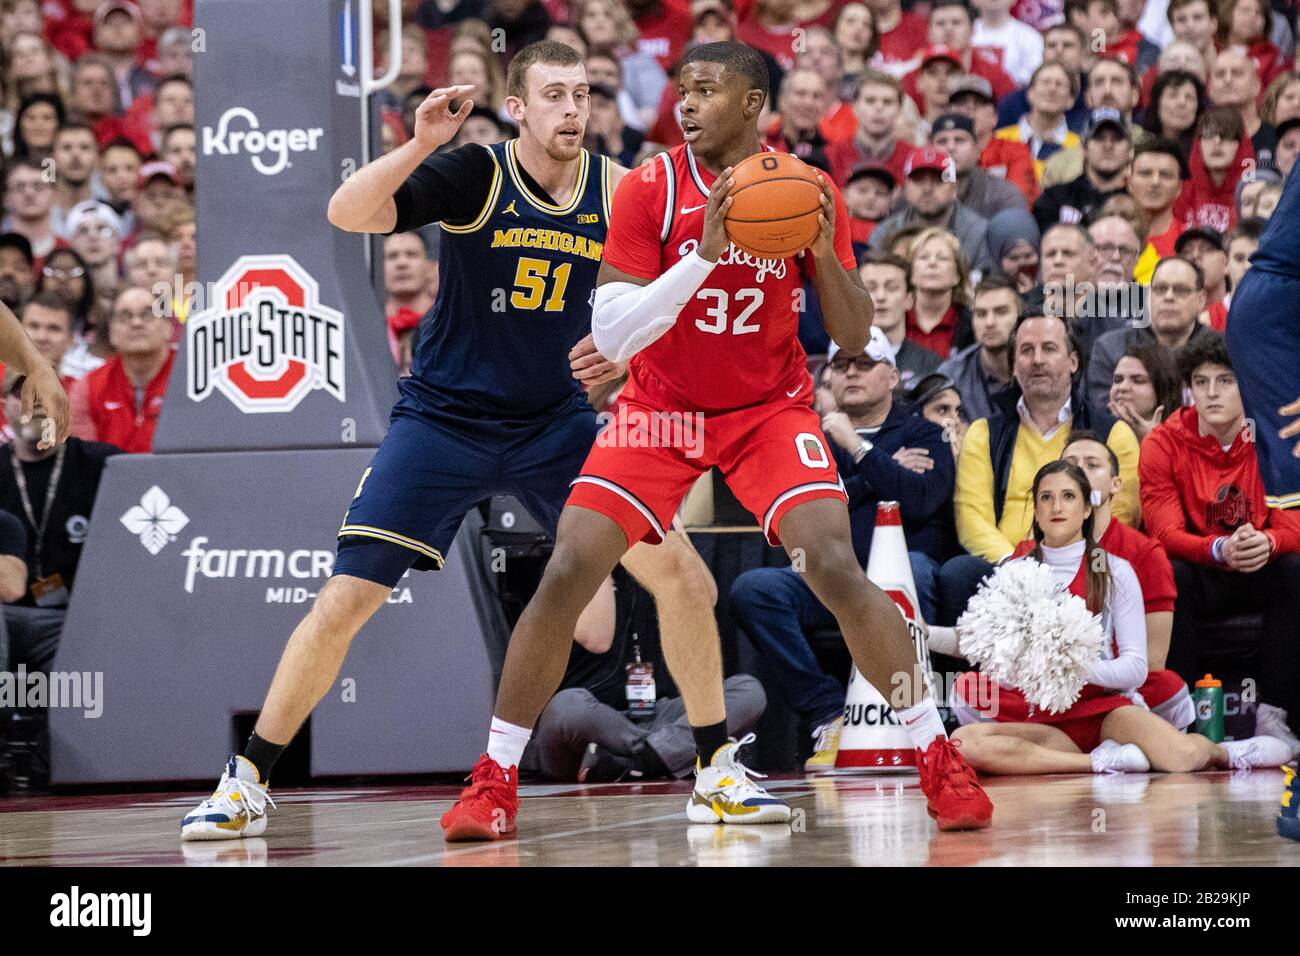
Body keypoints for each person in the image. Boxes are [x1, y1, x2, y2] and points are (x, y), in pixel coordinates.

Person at [181, 43, 742, 842]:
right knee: (345, 599)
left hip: (557, 423)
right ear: (517, 107)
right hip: (445, 420)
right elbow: (348, 213)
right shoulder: (477, 174)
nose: (572, 109)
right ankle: (246, 781)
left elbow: (662, 301)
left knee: (684, 576)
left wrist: (625, 351)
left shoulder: (620, 190)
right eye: (553, 94)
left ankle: (717, 771)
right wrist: (417, 146)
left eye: (582, 94)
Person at [440, 41, 993, 839]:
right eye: (680, 90)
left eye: (706, 89)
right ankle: (493, 780)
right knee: (567, 568)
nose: (687, 105)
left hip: (767, 409)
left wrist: (818, 252)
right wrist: (703, 254)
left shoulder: (808, 191)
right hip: (661, 409)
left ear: (752, 103)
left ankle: (936, 754)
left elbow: (853, 334)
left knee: (834, 564)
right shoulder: (650, 188)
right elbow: (614, 333)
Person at [950, 460, 1291, 774]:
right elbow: (991, 658)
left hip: (1103, 708)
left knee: (1181, 759)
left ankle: (1225, 753)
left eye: (1068, 496)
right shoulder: (1014, 569)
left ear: (1086, 509)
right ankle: (1095, 762)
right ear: (1036, 512)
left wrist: (1069, 669)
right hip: (1039, 714)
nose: (1056, 506)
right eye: (1046, 498)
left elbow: (1136, 668)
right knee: (964, 742)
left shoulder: (1115, 570)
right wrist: (924, 633)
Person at [729, 327, 956, 770]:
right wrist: (883, 472)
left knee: (918, 570)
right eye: (841, 364)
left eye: (865, 363)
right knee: (754, 588)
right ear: (827, 378)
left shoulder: (927, 433)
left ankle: (924, 716)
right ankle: (828, 713)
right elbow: (796, 510)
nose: (852, 372)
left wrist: (858, 448)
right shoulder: (808, 438)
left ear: (893, 377)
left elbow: (921, 499)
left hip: (901, 573)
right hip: (829, 577)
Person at [1140, 334, 1300, 753]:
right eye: (1201, 381)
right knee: (1169, 572)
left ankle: (1275, 715)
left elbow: (1294, 519)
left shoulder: (1278, 435)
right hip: (1201, 569)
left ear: (1247, 382)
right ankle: (1179, 721)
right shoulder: (1162, 442)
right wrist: (1216, 549)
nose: (1211, 393)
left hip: (1259, 566)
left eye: (1225, 381)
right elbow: (1162, 532)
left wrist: (1268, 540)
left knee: (1295, 567)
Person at [943, 299, 1140, 623]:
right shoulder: (984, 433)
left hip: (1081, 563)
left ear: (1073, 361)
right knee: (957, 573)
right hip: (1004, 566)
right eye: (1026, 351)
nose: (1037, 360)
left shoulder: (1113, 434)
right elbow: (971, 517)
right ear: (1014, 365)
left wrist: (1061, 561)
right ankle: (969, 677)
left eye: (1049, 349)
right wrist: (1016, 565)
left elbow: (1121, 514)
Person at [0, 367, 118, 790]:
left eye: (42, 394)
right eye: (20, 394)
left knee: (96, 639)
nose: (32, 403)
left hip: (72, 616)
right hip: (5, 614)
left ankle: (77, 771)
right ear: (4, 407)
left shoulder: (103, 464)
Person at [1086, 254, 1219, 413]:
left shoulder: (1219, 353)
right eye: (1160, 289)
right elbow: (1103, 415)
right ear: (1149, 295)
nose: (1168, 297)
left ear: (1201, 299)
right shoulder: (1111, 348)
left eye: (1180, 290)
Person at [68, 286, 173, 453]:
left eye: (147, 314)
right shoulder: (89, 388)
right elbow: (84, 459)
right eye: (125, 316)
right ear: (111, 332)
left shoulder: (192, 379)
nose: (136, 323)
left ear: (168, 327)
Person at [869, 150, 995, 276]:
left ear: (954, 187)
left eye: (938, 180)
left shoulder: (979, 232)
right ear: (905, 187)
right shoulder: (884, 233)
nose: (927, 189)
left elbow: (983, 286)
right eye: (918, 180)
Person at [1032, 107, 1132, 232]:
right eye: (1099, 138)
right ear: (1084, 147)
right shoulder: (1055, 199)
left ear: (1130, 150)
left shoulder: (1139, 200)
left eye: (1117, 138)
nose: (1108, 146)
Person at [858, 250, 942, 392]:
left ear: (909, 299)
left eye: (891, 288)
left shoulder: (932, 366)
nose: (881, 296)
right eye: (870, 288)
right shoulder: (843, 363)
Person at [938, 275, 1018, 423]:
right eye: (981, 314)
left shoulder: (1042, 366)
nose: (989, 322)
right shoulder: (952, 376)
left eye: (1001, 312)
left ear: (1020, 316)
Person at [931, 112, 1027, 220]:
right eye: (942, 141)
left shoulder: (1003, 194)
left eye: (959, 140)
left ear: (977, 150)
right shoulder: (917, 191)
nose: (950, 147)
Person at [1107, 340, 1182, 443]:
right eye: (1117, 380)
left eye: (1138, 380)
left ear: (1163, 388)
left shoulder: (1185, 440)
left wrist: (1154, 442)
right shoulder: (1095, 431)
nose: (1122, 387)